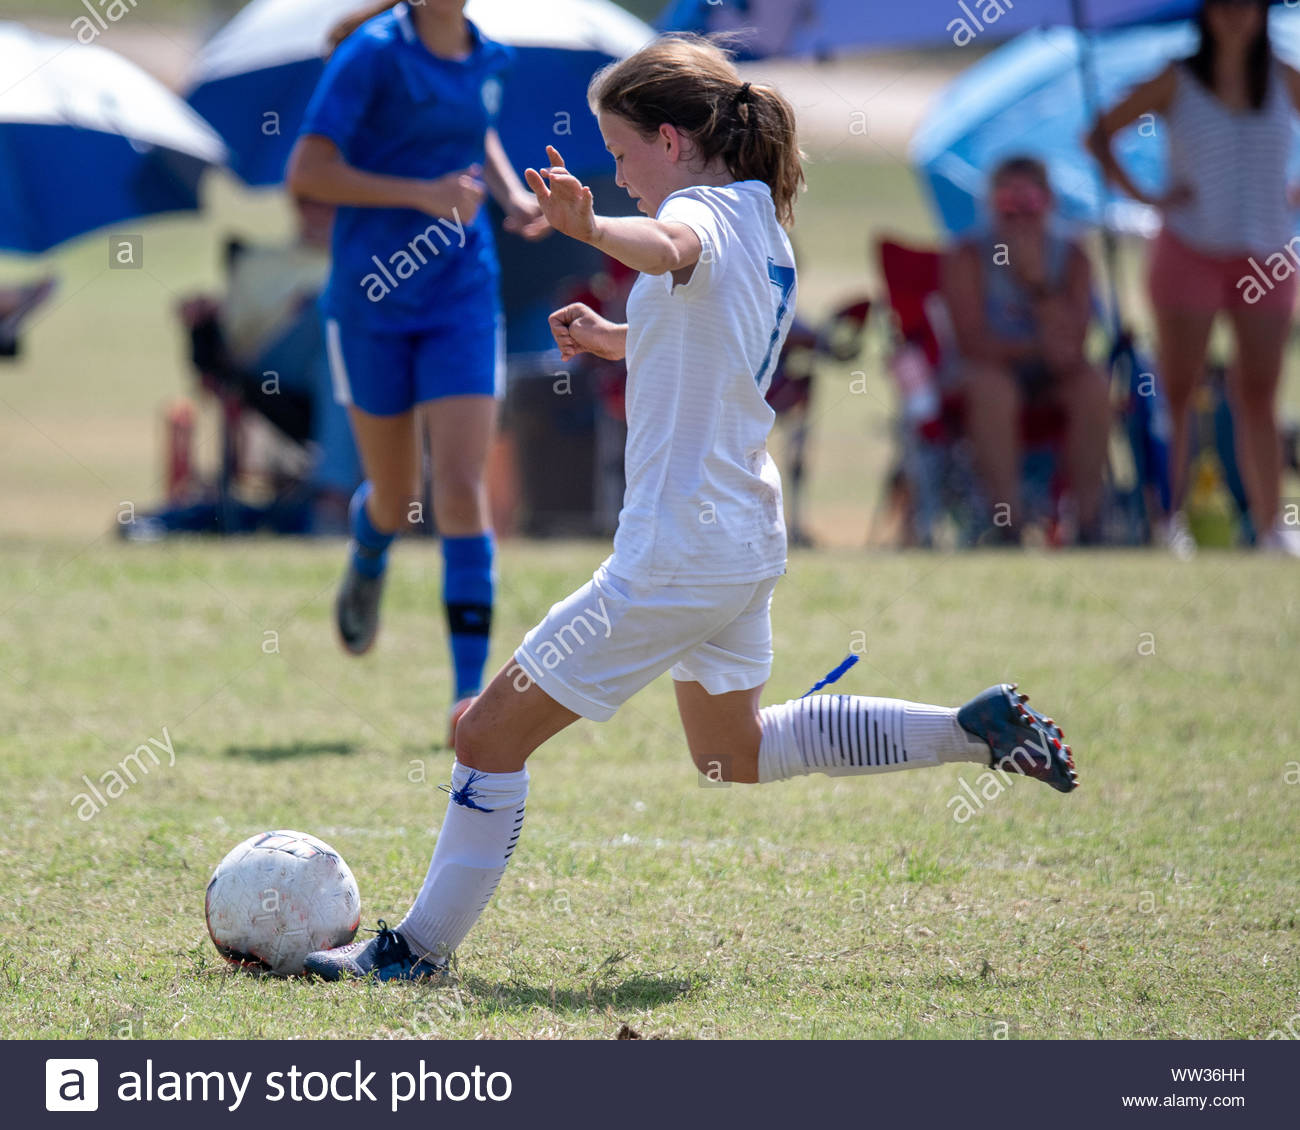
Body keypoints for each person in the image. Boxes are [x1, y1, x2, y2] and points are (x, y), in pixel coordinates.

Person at [301, 36, 1079, 984]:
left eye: (622, 154)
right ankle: (973, 726)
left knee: (483, 736)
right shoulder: (762, 221)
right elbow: (709, 324)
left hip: (676, 552)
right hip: (742, 540)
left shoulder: (694, 213)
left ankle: (414, 954)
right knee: (732, 753)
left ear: (672, 139)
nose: (618, 176)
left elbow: (671, 247)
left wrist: (591, 231)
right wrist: (618, 336)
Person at [287, 0, 549, 737]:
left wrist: (511, 194)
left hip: (462, 293)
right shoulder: (371, 53)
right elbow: (308, 170)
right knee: (399, 496)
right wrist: (421, 193)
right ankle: (369, 549)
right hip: (372, 299)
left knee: (459, 484)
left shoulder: (488, 56)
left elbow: (475, 131)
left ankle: (469, 700)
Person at [1088, 0, 1300, 557]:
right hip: (1189, 249)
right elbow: (1099, 134)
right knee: (1177, 390)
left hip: (1267, 253)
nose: (1236, 15)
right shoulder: (1176, 79)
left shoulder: (1283, 77)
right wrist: (1147, 197)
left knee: (1260, 391)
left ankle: (1271, 525)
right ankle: (1168, 521)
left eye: (1246, 4)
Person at [942, 156, 1110, 544]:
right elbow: (972, 343)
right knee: (993, 388)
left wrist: (1037, 284)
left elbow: (1073, 349)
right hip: (991, 371)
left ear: (1049, 203)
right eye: (1007, 205)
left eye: (1029, 204)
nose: (1019, 218)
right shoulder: (968, 256)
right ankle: (1009, 524)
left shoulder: (1072, 257)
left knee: (1093, 386)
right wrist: (1036, 347)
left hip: (1051, 373)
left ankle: (1087, 523)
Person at [178, 197, 360, 527]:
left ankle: (334, 500)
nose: (319, 209)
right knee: (330, 307)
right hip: (274, 372)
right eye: (310, 200)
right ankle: (337, 499)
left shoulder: (367, 261)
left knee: (336, 351)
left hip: (354, 367)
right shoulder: (257, 264)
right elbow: (232, 353)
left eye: (330, 200)